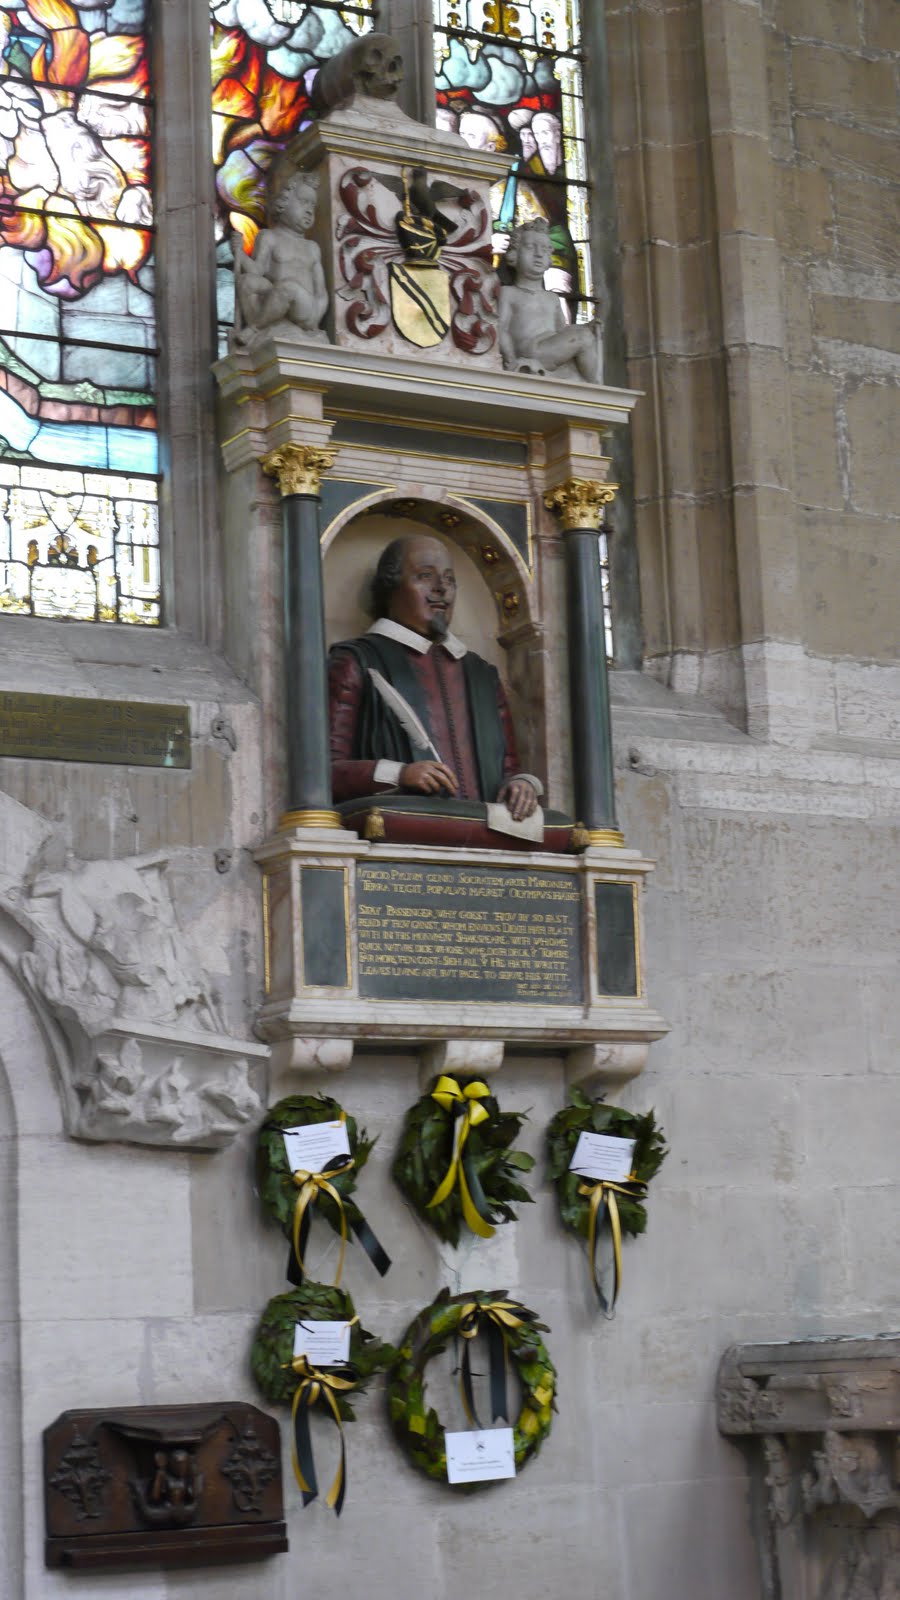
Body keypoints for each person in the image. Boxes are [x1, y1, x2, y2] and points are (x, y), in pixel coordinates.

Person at [328, 535, 541, 821]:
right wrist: (400, 774)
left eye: (449, 580)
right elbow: (324, 771)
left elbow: (508, 769)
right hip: (400, 830)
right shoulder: (356, 660)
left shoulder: (482, 675)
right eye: (424, 576)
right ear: (390, 586)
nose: (441, 588)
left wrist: (521, 785)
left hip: (483, 831)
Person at [499, 217, 603, 384]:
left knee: (585, 334)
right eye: (530, 247)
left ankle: (592, 384)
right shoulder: (508, 293)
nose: (539, 254)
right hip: (531, 350)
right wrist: (510, 360)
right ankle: (594, 385)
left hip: (549, 348)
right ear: (514, 254)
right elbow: (501, 329)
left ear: (549, 258)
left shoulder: (551, 298)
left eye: (544, 249)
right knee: (583, 337)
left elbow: (561, 330)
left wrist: (587, 326)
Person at [234, 170, 328, 344]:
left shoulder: (312, 247)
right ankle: (265, 328)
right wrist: (238, 252)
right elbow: (256, 271)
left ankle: (255, 328)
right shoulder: (268, 237)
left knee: (289, 288)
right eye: (304, 202)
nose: (309, 211)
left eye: (313, 206)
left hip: (304, 308)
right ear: (283, 202)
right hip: (276, 296)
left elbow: (321, 292)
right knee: (247, 281)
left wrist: (315, 318)